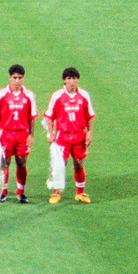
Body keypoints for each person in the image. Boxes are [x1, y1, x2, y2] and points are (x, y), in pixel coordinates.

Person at [42, 66, 94, 204]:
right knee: (59, 165)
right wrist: (50, 133)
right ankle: (56, 193)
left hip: (79, 135)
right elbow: (49, 116)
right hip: (63, 136)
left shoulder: (84, 95)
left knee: (79, 163)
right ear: (64, 80)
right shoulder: (57, 95)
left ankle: (80, 193)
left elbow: (89, 116)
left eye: (74, 78)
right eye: (69, 79)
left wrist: (89, 133)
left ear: (78, 80)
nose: (72, 81)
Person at [0, 65, 36, 204]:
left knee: (22, 162)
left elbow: (32, 117)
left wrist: (31, 135)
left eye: (20, 78)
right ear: (10, 77)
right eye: (14, 78)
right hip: (6, 133)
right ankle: (4, 191)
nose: (17, 81)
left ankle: (20, 192)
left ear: (23, 78)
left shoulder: (29, 95)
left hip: (22, 134)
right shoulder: (1, 94)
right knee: (5, 163)